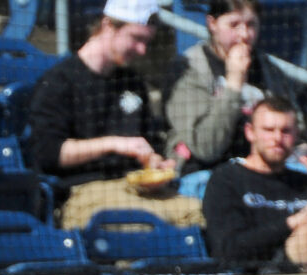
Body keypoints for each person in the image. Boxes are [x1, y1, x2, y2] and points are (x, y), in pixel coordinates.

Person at [25, 0, 204, 230]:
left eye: (146, 42)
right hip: (82, 192)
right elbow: (48, 153)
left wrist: (156, 162)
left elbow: (151, 143)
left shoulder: (132, 82)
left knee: (199, 214)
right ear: (108, 26)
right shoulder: (59, 82)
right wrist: (113, 144)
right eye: (136, 39)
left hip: (136, 188)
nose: (142, 50)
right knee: (143, 226)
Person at [164, 0, 307, 183]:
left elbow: (296, 131)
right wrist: (234, 83)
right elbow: (206, 148)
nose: (244, 35)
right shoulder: (190, 69)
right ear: (212, 24)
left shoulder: (269, 70)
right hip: (206, 175)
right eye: (233, 25)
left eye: (251, 25)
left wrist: (306, 157)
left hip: (265, 172)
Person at [201, 96, 307, 269]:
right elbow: (228, 248)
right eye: (269, 130)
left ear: (296, 135)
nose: (277, 138)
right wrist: (294, 222)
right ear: (250, 132)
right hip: (266, 272)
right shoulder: (226, 179)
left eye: (285, 131)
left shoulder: (305, 182)